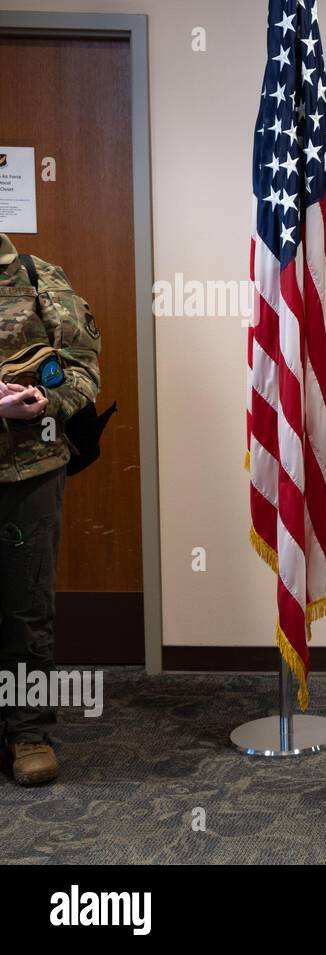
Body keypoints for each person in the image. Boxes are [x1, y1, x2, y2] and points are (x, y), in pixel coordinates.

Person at [0, 234, 102, 786]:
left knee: (27, 606)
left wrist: (48, 402)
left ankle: (28, 732)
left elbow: (82, 363)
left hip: (28, 470)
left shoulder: (39, 277)